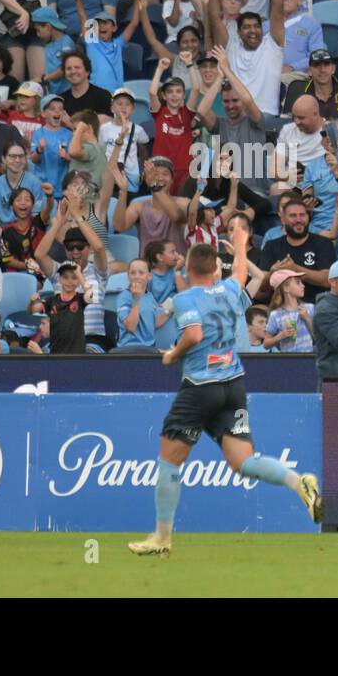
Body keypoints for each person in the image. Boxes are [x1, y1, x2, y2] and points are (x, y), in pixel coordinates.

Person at [127, 224, 323, 558]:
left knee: (169, 460)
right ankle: (298, 481)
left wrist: (172, 354)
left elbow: (193, 335)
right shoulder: (230, 291)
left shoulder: (186, 297)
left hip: (201, 386)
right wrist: (242, 243)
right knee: (243, 460)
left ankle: (162, 536)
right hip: (234, 384)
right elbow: (242, 272)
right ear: (215, 269)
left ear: (188, 269)